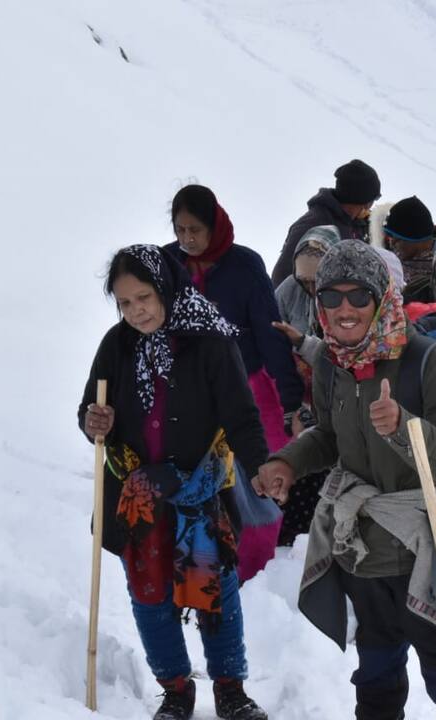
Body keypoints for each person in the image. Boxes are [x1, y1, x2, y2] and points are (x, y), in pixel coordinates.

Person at [255, 240, 436, 720]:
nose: (344, 309)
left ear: (382, 297)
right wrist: (288, 462)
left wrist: (406, 428)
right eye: (330, 297)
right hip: (364, 558)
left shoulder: (432, 363)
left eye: (359, 296)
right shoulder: (332, 364)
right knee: (377, 683)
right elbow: (330, 433)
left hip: (427, 556)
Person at [77, 245, 269, 720]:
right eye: (124, 303)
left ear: (166, 287)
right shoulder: (116, 346)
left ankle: (230, 689)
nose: (136, 311)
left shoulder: (210, 343)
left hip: (199, 491)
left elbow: (242, 417)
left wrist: (263, 466)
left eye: (143, 297)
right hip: (137, 495)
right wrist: (93, 421)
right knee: (150, 592)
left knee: (214, 593)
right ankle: (176, 688)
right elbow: (88, 411)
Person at [164, 184, 301, 579]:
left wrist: (291, 402)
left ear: (214, 225)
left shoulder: (244, 266)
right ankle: (202, 573)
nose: (188, 239)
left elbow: (270, 336)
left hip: (249, 392)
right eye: (180, 230)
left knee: (257, 483)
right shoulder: (168, 264)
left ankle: (254, 576)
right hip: (191, 397)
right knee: (199, 487)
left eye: (195, 230)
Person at [271, 224, 342, 546]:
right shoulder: (288, 292)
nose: (311, 288)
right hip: (296, 400)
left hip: (335, 404)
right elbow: (274, 347)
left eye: (317, 280)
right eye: (305, 281)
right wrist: (293, 406)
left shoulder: (347, 296)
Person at [271, 159, 381, 287]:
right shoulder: (312, 225)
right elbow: (282, 277)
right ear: (363, 201)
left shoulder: (357, 222)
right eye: (374, 199)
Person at [383, 195, 436, 286]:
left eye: (398, 240)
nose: (392, 243)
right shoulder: (391, 255)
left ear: (418, 240)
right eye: (390, 236)